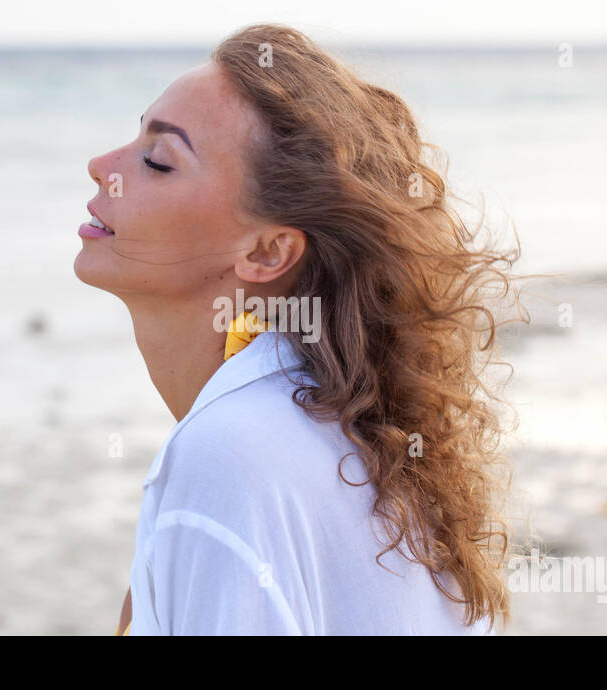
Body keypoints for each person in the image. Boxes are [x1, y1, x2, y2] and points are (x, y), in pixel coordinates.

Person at [75, 24, 519, 635]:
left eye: (157, 160)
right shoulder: (333, 437)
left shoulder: (232, 457)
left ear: (266, 253)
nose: (102, 166)